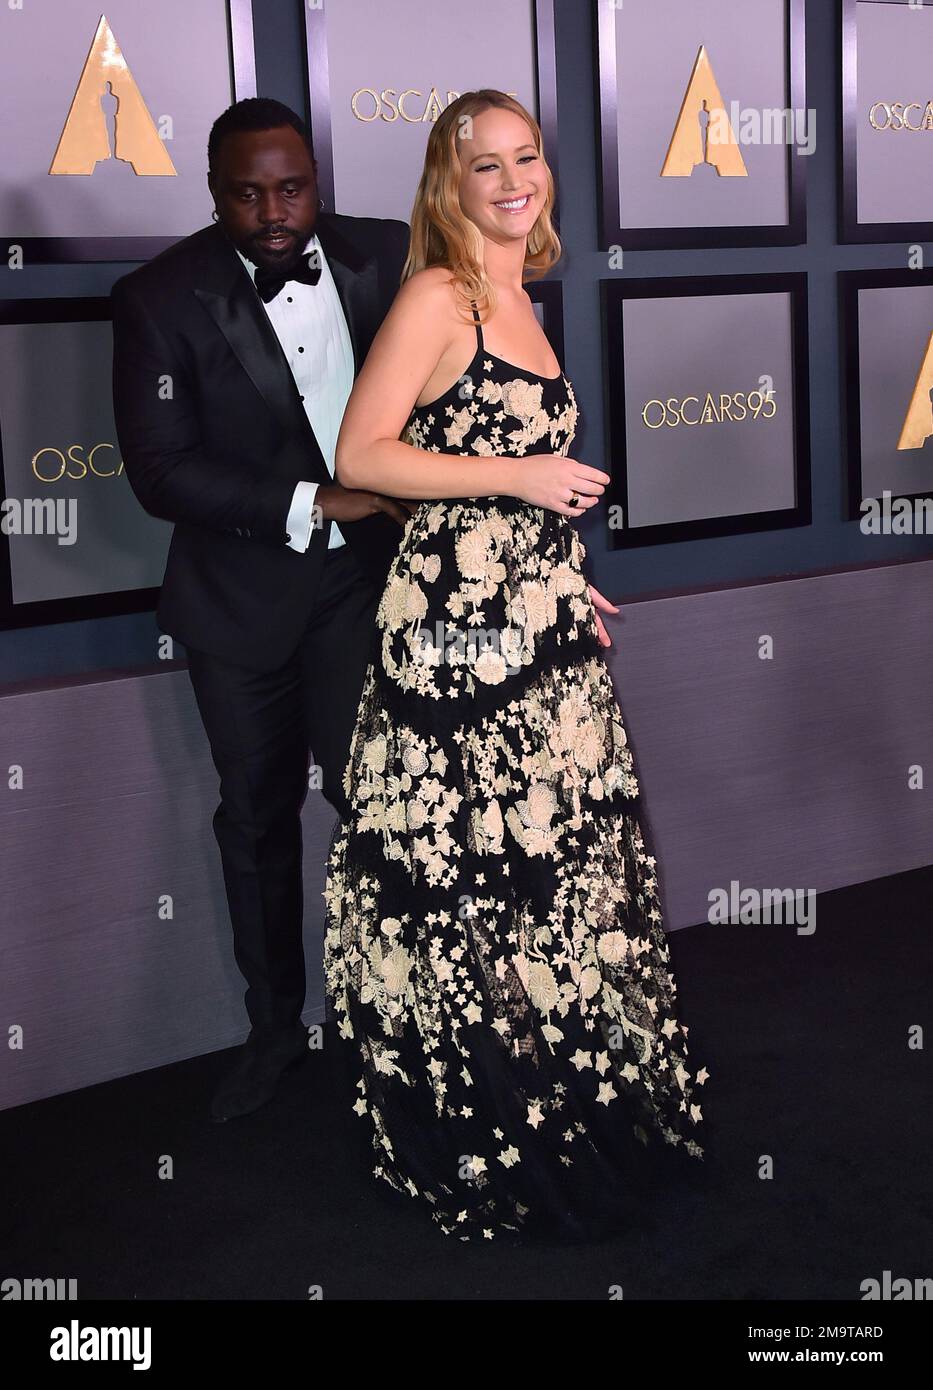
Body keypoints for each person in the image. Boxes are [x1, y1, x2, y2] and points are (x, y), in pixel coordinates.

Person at [322, 90, 710, 1243]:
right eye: (482, 165)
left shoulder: (523, 293)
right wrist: (521, 483)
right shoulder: (439, 294)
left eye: (526, 157)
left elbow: (505, 472)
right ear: (449, 185)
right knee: (471, 875)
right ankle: (483, 1122)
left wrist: (554, 572)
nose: (510, 181)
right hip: (450, 640)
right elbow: (366, 454)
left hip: (531, 622)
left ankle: (560, 1100)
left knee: (552, 864)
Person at [111, 98, 412, 1123]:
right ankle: (275, 1031)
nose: (273, 211)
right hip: (237, 603)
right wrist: (311, 499)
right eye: (248, 193)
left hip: (364, 588)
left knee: (377, 811)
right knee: (256, 822)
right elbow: (160, 471)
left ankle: (393, 1021)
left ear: (317, 181)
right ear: (212, 190)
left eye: (292, 188)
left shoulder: (387, 255)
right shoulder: (157, 297)